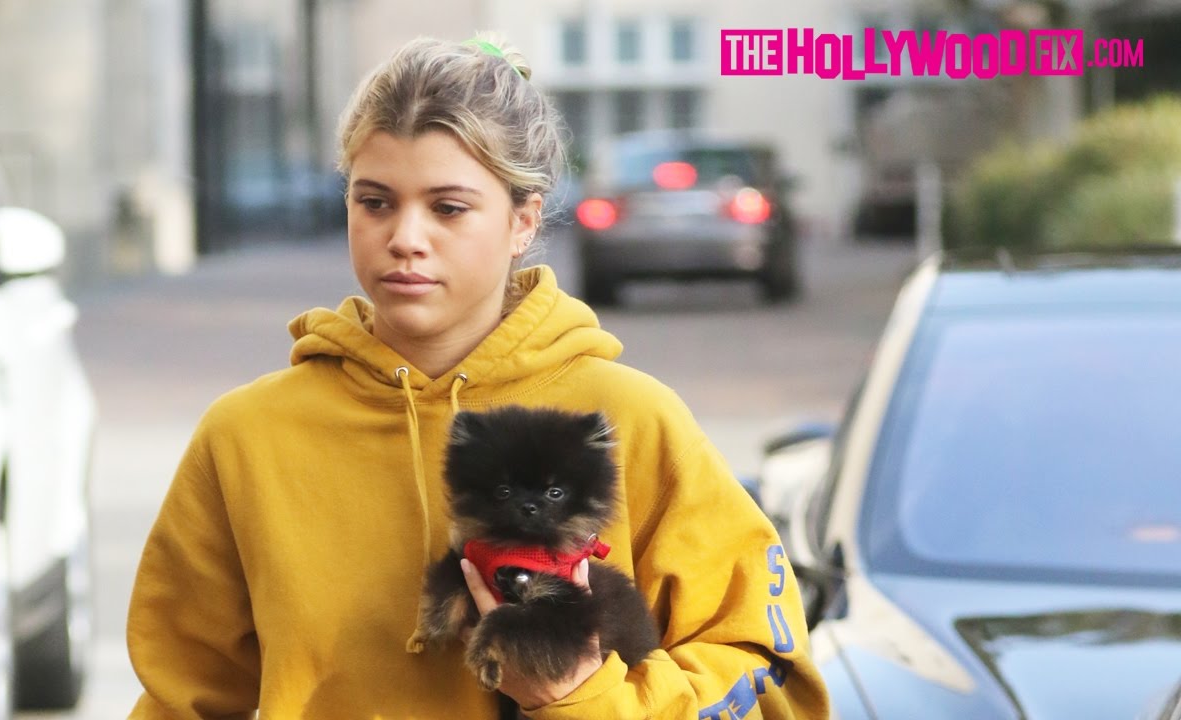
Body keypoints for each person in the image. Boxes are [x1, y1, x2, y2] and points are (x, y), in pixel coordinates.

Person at [126, 33, 829, 719]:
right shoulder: (247, 437)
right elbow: (178, 696)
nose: (405, 236)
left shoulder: (627, 421)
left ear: (523, 220)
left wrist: (585, 700)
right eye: (374, 202)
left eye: (448, 208)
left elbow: (769, 683)